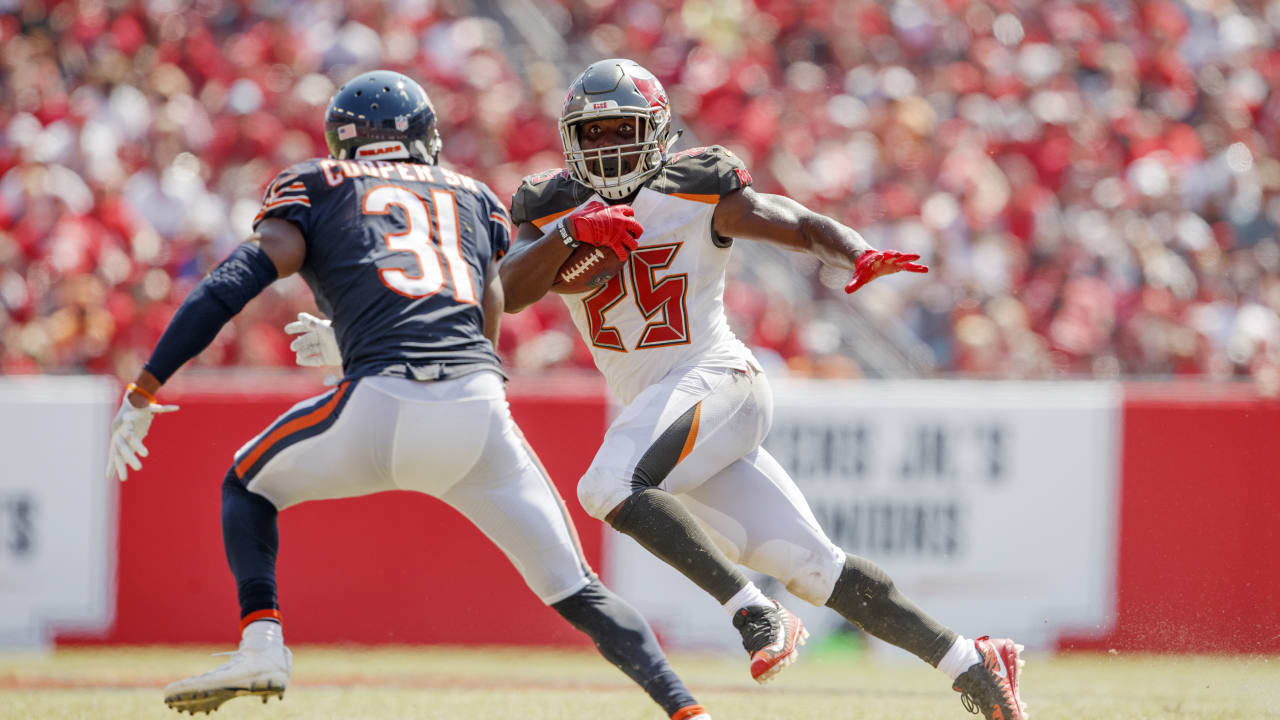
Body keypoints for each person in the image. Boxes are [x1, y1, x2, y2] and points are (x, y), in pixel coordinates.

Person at [104, 69, 711, 720]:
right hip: (479, 416)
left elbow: (231, 283)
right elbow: (479, 326)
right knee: (580, 591)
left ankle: (263, 645)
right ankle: (685, 709)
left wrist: (146, 385)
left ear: (344, 142)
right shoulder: (472, 197)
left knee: (247, 486)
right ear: (426, 138)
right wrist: (358, 341)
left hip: (382, 401)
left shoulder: (318, 184)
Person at [498, 59, 1027, 720]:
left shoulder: (694, 185)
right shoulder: (553, 204)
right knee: (818, 570)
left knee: (606, 485)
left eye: (621, 130)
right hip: (664, 409)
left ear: (656, 130)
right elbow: (511, 292)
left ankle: (752, 610)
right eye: (595, 134)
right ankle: (972, 663)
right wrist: (574, 231)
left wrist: (855, 251)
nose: (607, 148)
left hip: (720, 379)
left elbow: (796, 222)